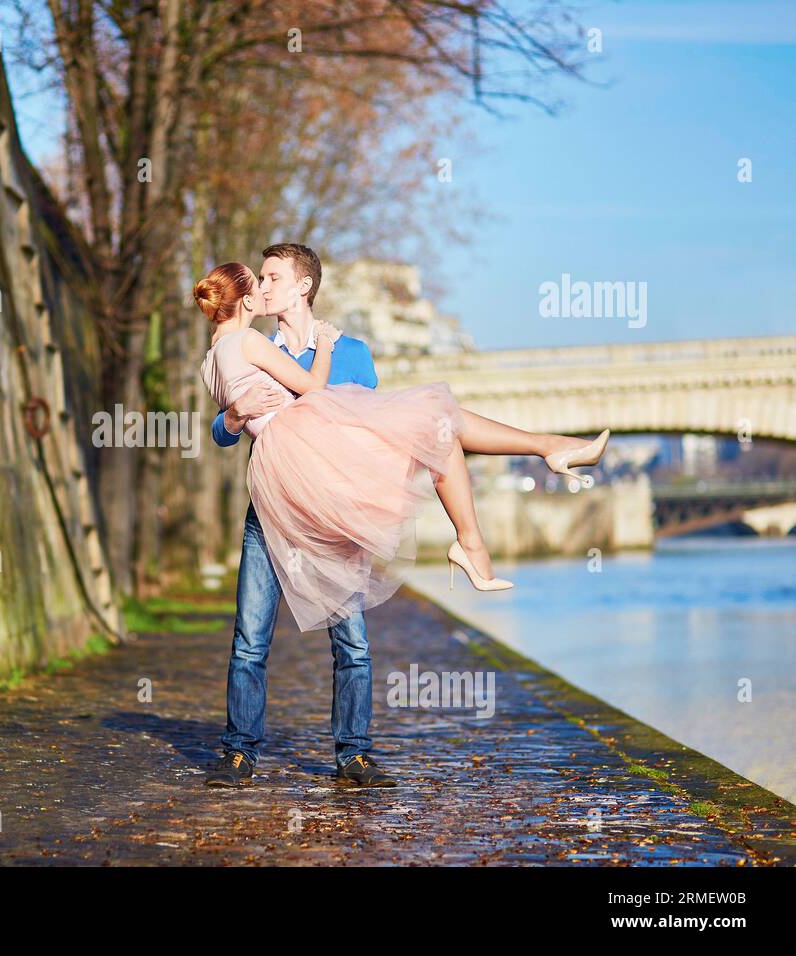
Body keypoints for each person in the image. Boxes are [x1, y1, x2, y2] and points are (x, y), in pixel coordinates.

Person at [198, 244, 608, 788]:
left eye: (274, 277)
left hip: (333, 507)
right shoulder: (253, 345)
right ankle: (238, 752)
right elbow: (222, 431)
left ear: (303, 286)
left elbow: (366, 420)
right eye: (260, 278)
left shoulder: (351, 352)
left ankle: (354, 754)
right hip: (272, 506)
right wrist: (230, 416)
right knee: (250, 638)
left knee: (353, 642)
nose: (264, 286)